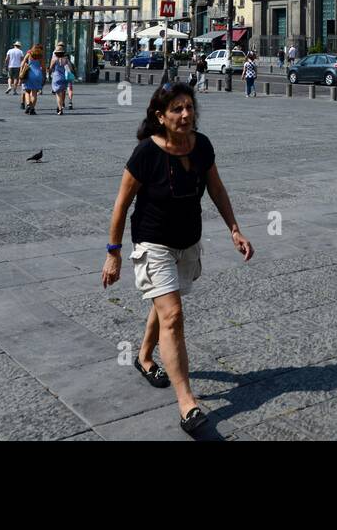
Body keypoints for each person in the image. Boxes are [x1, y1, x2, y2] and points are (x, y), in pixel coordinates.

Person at [101, 83, 253, 436]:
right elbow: (121, 205)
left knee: (164, 304)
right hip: (153, 241)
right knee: (172, 314)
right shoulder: (145, 153)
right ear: (160, 117)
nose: (186, 115)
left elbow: (216, 188)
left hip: (188, 242)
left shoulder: (201, 146)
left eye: (189, 108)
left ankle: (144, 356)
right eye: (177, 110)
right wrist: (114, 254)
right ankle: (187, 404)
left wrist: (234, 229)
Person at [21, 44, 46, 114]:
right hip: (38, 74)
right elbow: (43, 68)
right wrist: (44, 76)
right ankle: (32, 108)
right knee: (34, 92)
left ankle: (28, 104)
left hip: (29, 74)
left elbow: (23, 62)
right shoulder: (41, 56)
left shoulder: (29, 54)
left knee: (27, 91)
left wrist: (21, 71)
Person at [49, 46, 67, 115]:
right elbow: (70, 69)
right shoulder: (66, 59)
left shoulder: (54, 59)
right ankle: (61, 105)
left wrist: (49, 74)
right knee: (62, 93)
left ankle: (60, 109)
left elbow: (50, 68)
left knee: (58, 94)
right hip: (64, 77)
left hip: (56, 77)